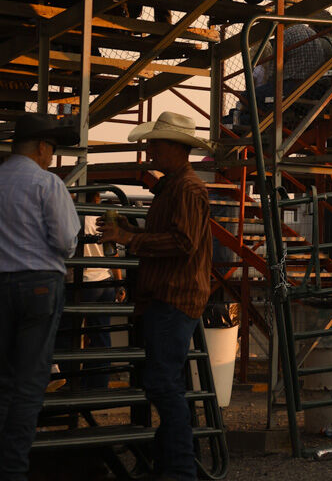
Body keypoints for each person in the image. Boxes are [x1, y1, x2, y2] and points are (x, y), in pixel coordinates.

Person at [97, 112, 213, 481]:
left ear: (176, 148)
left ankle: (178, 470)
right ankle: (173, 465)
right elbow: (177, 237)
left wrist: (129, 237)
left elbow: (183, 242)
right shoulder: (177, 187)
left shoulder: (186, 189)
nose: (150, 150)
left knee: (163, 385)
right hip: (171, 296)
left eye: (156, 144)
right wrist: (131, 230)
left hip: (172, 296)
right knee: (167, 385)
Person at [0, 113, 81, 480]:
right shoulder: (47, 183)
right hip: (39, 283)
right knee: (29, 383)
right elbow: (65, 241)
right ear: (43, 148)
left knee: (3, 378)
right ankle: (13, 469)